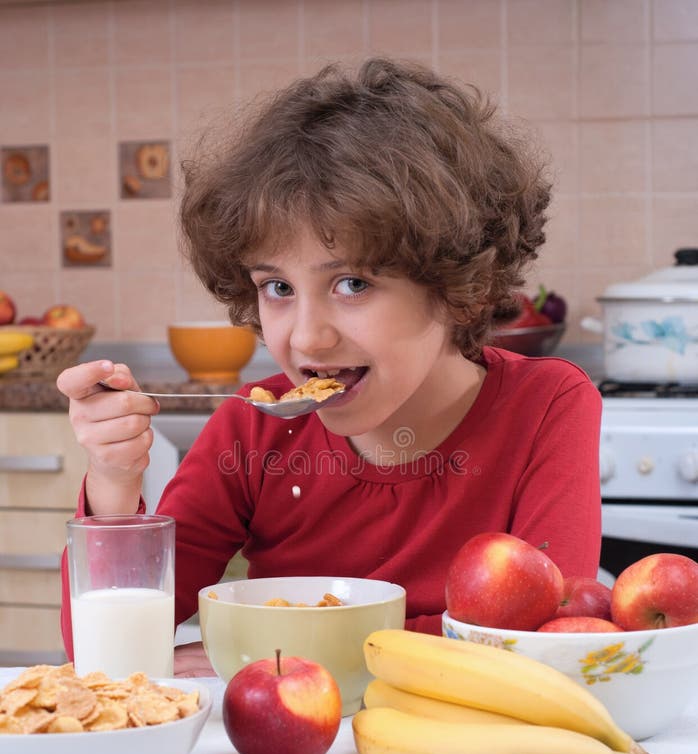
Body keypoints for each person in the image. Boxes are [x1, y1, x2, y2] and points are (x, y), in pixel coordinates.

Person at [57, 57, 601, 676]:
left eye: (352, 282)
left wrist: (254, 650)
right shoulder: (257, 424)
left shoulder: (547, 406)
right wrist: (113, 483)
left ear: (459, 287)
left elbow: (546, 640)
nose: (305, 339)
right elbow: (105, 653)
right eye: (277, 288)